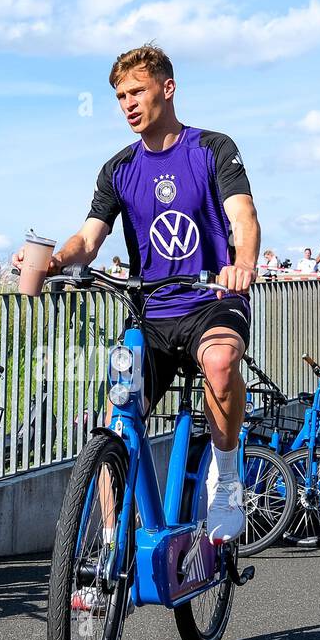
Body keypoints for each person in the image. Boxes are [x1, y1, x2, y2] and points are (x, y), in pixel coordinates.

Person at [37, 43, 257, 543]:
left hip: (212, 300)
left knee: (221, 363)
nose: (128, 104)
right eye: (119, 96)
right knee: (118, 421)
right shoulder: (118, 168)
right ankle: (110, 545)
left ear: (167, 88)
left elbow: (244, 215)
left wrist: (242, 265)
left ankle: (225, 479)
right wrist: (55, 261)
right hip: (151, 311)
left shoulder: (213, 148)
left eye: (137, 91)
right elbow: (90, 238)